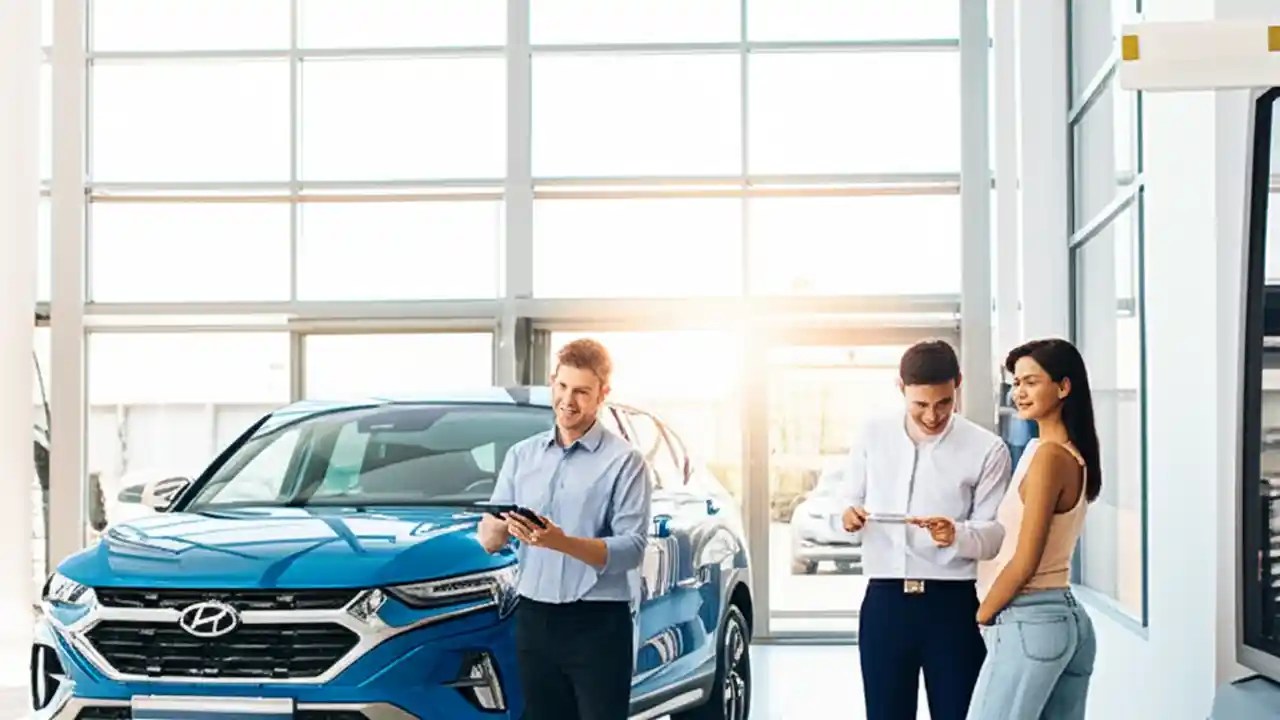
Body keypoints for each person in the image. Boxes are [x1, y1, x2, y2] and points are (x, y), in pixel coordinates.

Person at [835, 339, 1013, 720]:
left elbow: (994, 535)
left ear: (957, 385)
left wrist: (958, 534)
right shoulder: (872, 434)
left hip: (951, 607)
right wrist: (848, 516)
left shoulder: (987, 449)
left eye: (944, 403)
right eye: (920, 405)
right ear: (901, 388)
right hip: (885, 602)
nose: (933, 415)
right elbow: (848, 499)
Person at [477, 338, 651, 720]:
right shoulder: (522, 456)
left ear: (603, 393)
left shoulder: (625, 462)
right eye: (562, 387)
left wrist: (561, 542)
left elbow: (632, 549)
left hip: (598, 623)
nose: (568, 401)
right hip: (534, 619)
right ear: (552, 381)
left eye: (582, 392)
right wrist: (496, 529)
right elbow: (489, 536)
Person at [967, 339, 1099, 720]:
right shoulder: (1068, 452)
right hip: (1063, 620)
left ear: (1063, 387)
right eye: (1015, 382)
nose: (1018, 392)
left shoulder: (1049, 457)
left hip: (1031, 619)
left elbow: (1026, 559)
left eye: (1030, 381)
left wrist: (983, 614)